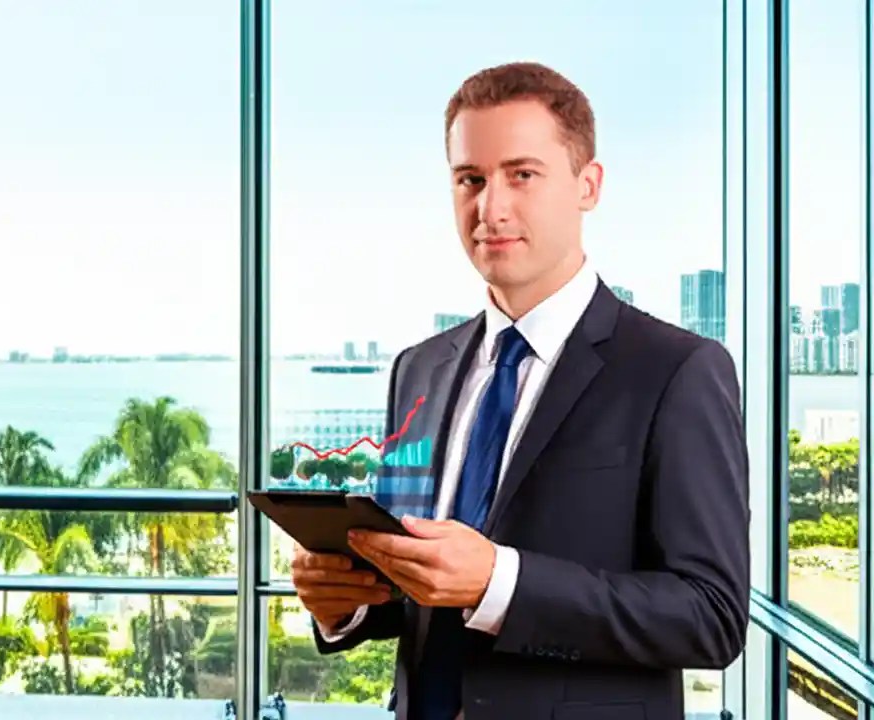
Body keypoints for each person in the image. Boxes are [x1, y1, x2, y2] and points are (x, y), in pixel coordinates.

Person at [289, 61, 750, 720]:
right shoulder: (418, 369)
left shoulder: (677, 370)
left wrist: (501, 582)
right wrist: (347, 604)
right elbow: (421, 586)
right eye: (470, 179)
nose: (490, 208)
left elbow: (712, 616)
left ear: (588, 185)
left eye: (522, 175)